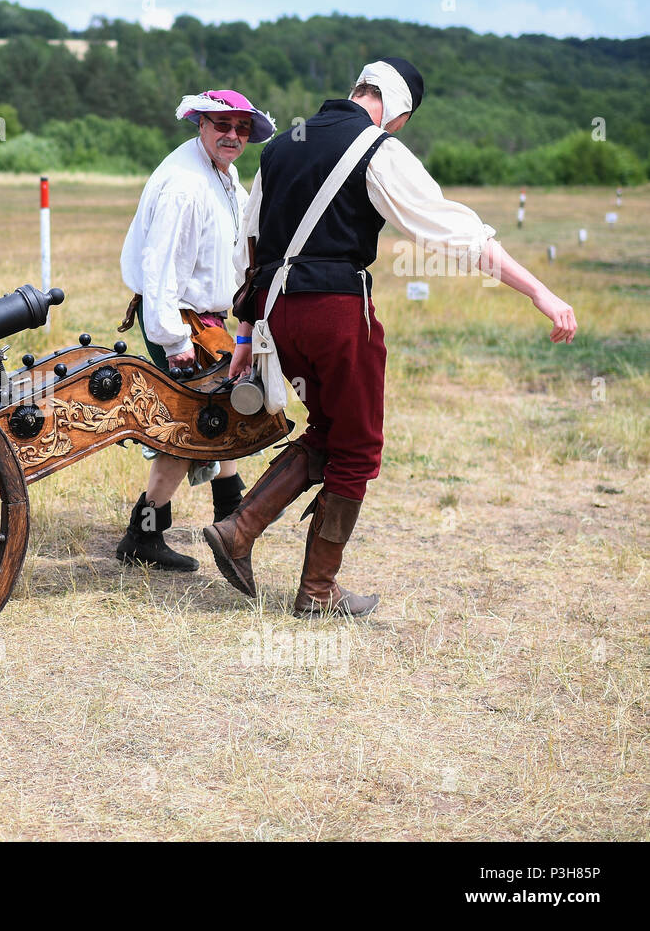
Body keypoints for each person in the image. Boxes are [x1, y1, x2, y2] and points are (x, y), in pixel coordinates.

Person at [206, 57, 577, 617]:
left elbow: (251, 247)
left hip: (277, 317)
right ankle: (315, 589)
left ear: (360, 88)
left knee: (330, 429)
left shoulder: (281, 146)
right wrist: (539, 293)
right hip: (334, 313)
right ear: (399, 112)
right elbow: (456, 234)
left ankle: (241, 528)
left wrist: (243, 332)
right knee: (357, 450)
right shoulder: (378, 148)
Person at [116, 89, 276, 571]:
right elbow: (160, 264)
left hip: (204, 319)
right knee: (190, 426)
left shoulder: (221, 175)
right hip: (182, 320)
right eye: (222, 125)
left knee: (219, 410)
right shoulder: (186, 184)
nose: (232, 136)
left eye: (241, 129)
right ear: (201, 124)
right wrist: (173, 337)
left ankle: (230, 509)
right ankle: (143, 536)